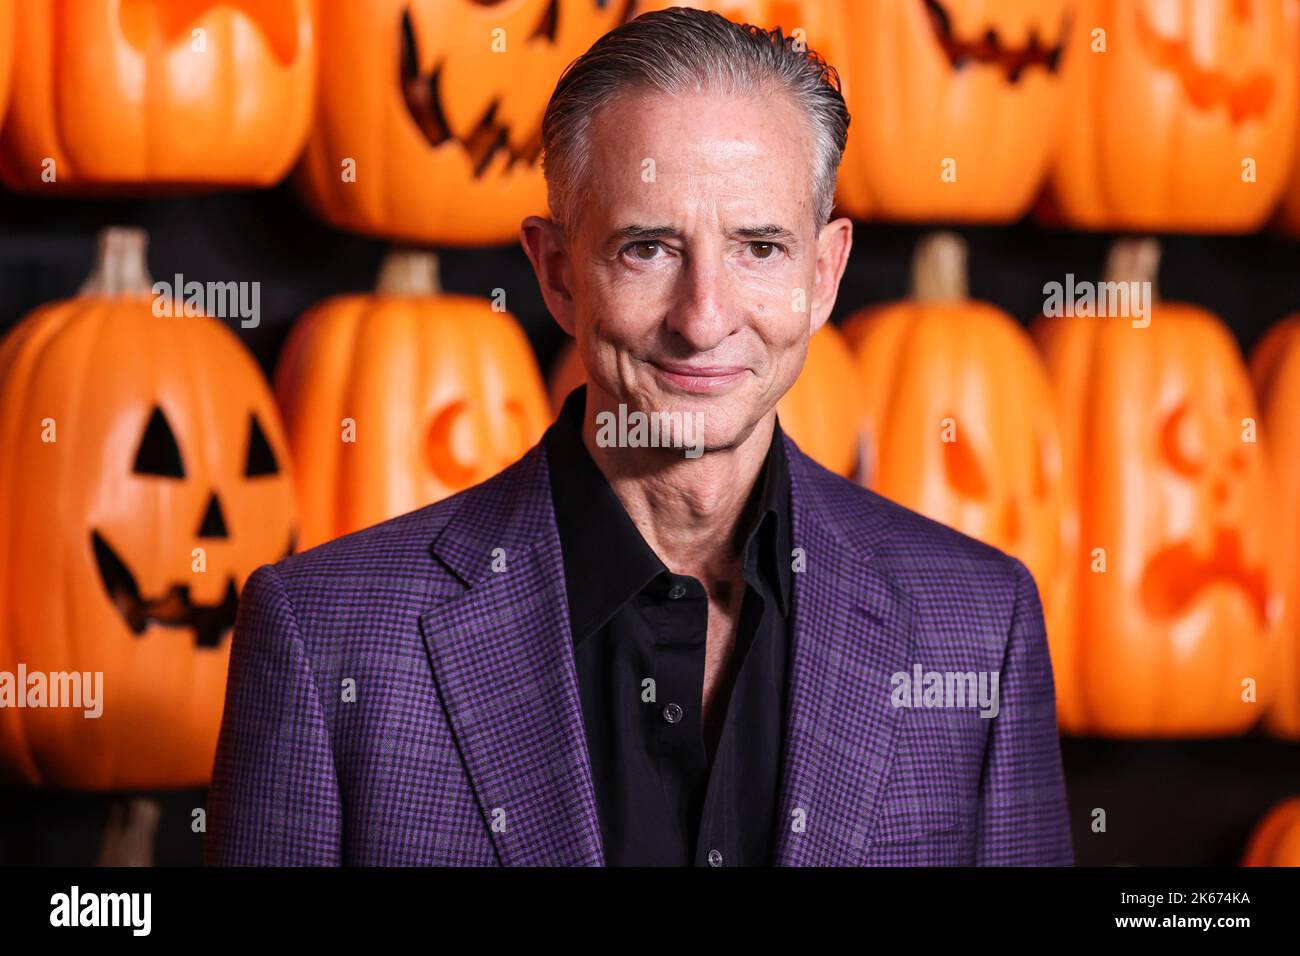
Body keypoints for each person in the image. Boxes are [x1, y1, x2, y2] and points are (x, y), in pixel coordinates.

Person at [206, 7, 1072, 867]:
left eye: (759, 248)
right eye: (649, 247)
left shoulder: (978, 626)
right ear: (556, 275)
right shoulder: (325, 638)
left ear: (823, 273)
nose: (703, 319)